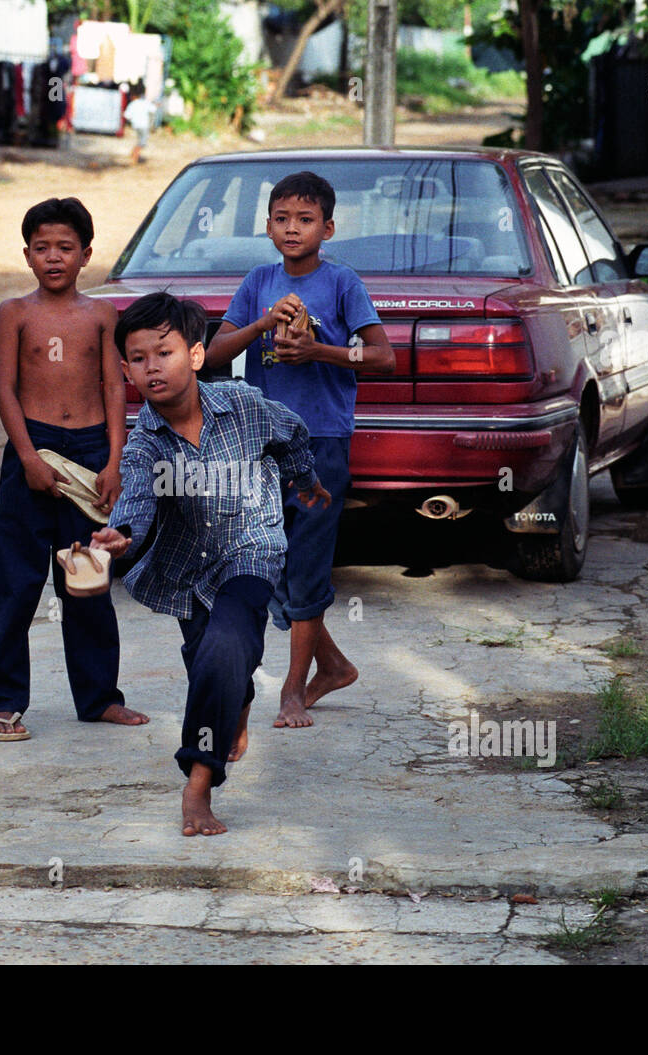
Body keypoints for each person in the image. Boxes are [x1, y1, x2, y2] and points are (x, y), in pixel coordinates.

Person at [89, 293, 329, 836]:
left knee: (226, 646)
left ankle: (197, 787)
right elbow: (137, 504)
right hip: (186, 571)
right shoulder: (143, 441)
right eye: (139, 358)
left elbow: (292, 431)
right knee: (215, 669)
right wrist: (121, 536)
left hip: (251, 550)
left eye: (165, 352)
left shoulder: (244, 405)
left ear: (196, 355)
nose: (153, 367)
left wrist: (305, 481)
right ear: (126, 369)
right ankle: (236, 703)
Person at [205, 170, 394, 731]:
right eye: (282, 219)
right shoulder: (259, 280)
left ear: (328, 228)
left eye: (305, 220)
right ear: (267, 226)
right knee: (269, 564)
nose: (292, 229)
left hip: (321, 444)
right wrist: (264, 322)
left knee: (308, 565)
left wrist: (319, 350)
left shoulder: (342, 284)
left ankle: (293, 690)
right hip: (265, 443)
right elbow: (214, 352)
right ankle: (332, 664)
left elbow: (381, 358)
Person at [0, 197, 146, 740]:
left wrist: (115, 461)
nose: (53, 257)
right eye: (42, 248)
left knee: (88, 580)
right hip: (33, 447)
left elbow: (114, 387)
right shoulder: (15, 313)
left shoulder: (100, 314)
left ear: (86, 254)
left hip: (91, 450)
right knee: (14, 580)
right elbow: (4, 388)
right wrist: (26, 456)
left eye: (65, 248)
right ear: (26, 255)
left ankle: (99, 698)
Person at [123, 83, 154, 164]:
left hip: (136, 125)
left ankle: (133, 154)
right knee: (142, 143)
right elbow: (153, 110)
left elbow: (126, 115)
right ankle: (134, 157)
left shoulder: (132, 104)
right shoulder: (145, 103)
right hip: (144, 125)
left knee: (139, 141)